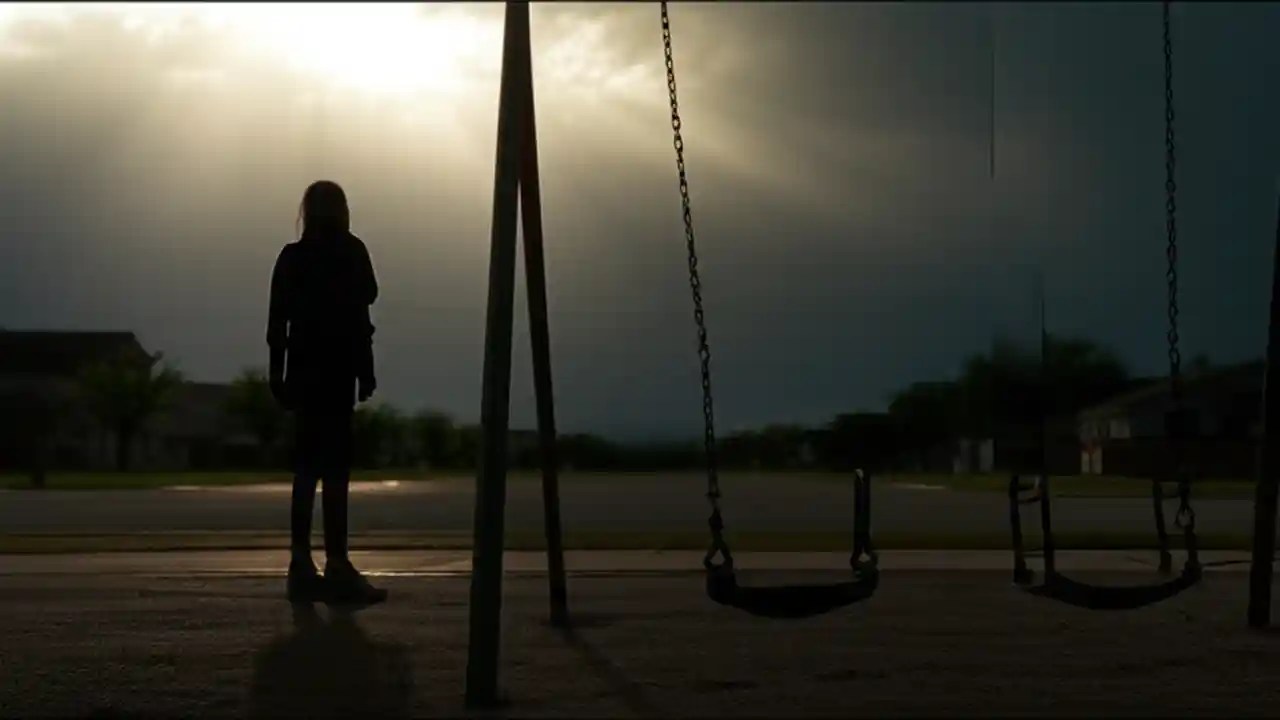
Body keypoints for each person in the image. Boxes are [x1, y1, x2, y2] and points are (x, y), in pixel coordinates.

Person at [268, 180, 387, 605]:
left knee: (307, 470)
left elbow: (276, 326)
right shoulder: (350, 253)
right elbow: (362, 315)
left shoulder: (293, 258)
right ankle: (335, 562)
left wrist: (276, 376)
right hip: (335, 375)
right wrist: (365, 372)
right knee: (334, 471)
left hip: (305, 374)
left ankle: (302, 563)